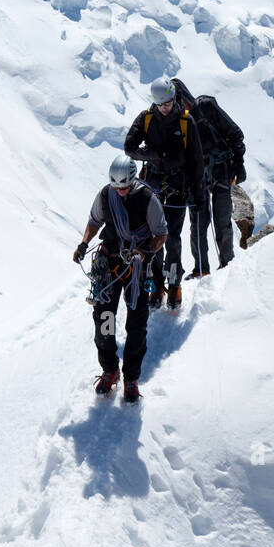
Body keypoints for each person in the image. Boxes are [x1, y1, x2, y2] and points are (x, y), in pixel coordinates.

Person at [73, 152, 167, 401]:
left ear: (133, 180)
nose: (120, 191)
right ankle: (110, 370)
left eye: (124, 186)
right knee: (104, 320)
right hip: (109, 264)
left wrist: (145, 252)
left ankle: (131, 379)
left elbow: (161, 233)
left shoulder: (147, 199)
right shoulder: (106, 195)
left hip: (137, 268)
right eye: (116, 186)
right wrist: (83, 244)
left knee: (136, 326)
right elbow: (94, 221)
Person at [123, 77, 205, 310]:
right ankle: (158, 284)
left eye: (167, 104)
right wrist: (154, 156)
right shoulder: (146, 118)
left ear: (174, 98)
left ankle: (175, 284)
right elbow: (129, 147)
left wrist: (199, 195)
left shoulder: (186, 122)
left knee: (173, 238)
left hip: (178, 188)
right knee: (154, 237)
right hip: (152, 189)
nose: (165, 108)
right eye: (160, 105)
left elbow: (197, 161)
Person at [186, 94, 248, 277]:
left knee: (217, 221)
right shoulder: (177, 120)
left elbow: (235, 134)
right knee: (202, 223)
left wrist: (239, 164)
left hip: (218, 171)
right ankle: (203, 268)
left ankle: (222, 266)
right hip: (205, 175)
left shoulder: (205, 107)